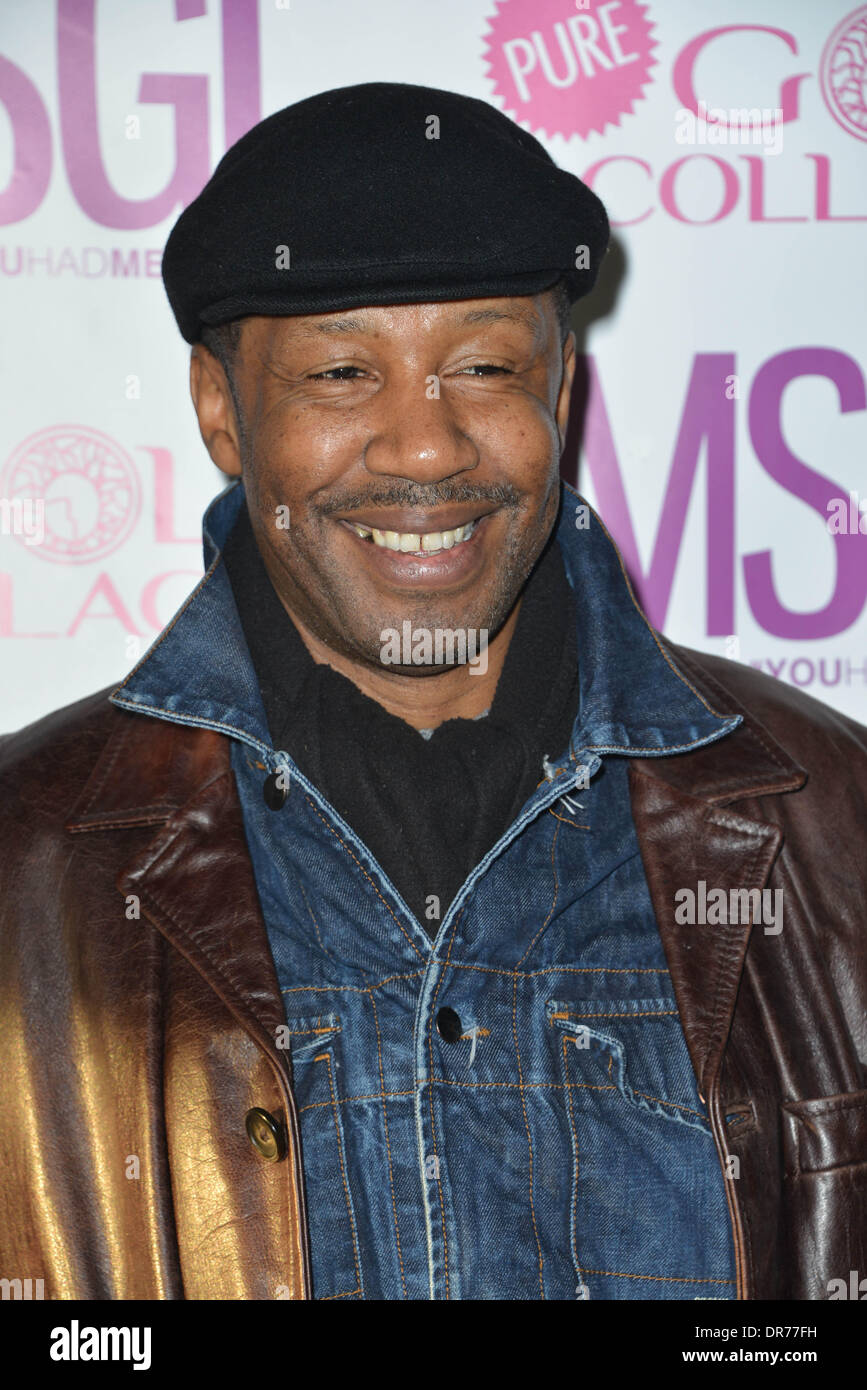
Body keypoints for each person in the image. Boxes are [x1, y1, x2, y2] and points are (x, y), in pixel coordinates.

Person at [0, 82, 864, 1302]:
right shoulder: (26, 863)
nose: (427, 446)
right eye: (346, 370)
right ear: (221, 411)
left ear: (559, 392)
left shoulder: (834, 825)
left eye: (485, 364)